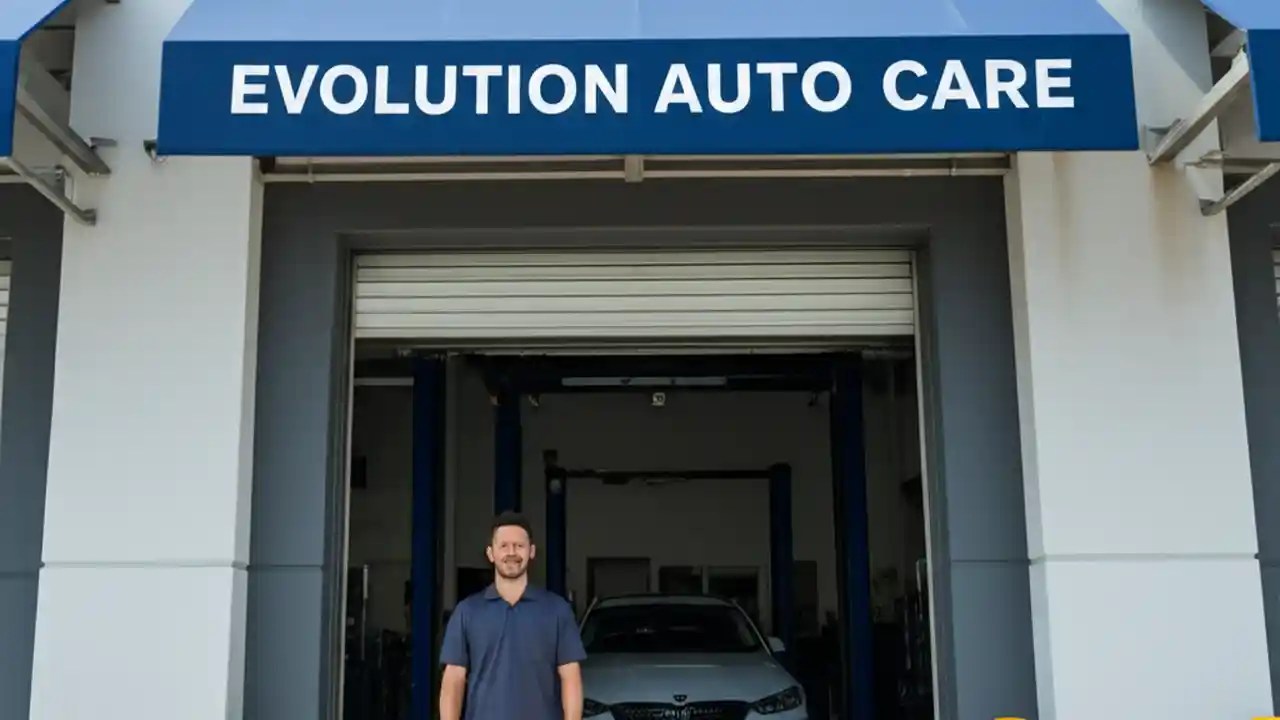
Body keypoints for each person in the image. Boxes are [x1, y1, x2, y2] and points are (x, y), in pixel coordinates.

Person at [438, 511, 587, 720]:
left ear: (531, 551)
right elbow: (453, 679)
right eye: (504, 546)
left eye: (519, 546)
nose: (512, 552)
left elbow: (570, 677)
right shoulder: (467, 612)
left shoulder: (557, 610)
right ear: (490, 553)